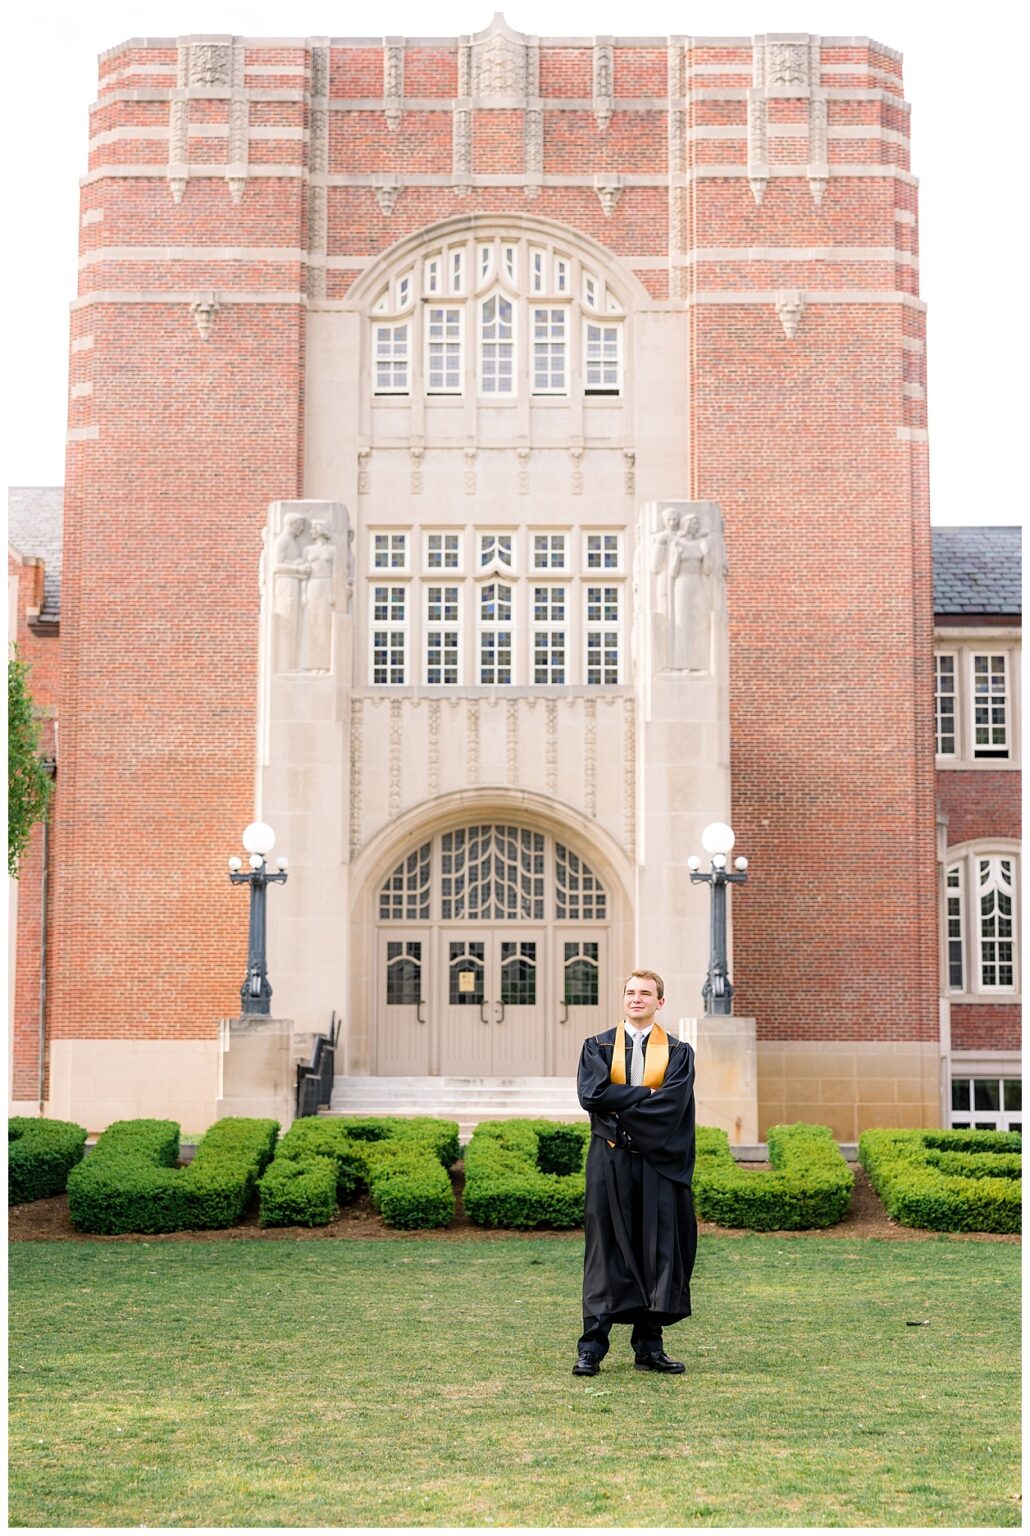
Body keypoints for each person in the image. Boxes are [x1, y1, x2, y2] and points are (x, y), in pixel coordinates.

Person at [573, 969, 697, 1376]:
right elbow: (592, 1096)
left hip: (657, 1162)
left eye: (646, 993)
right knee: (604, 1252)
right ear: (622, 999)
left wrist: (621, 1105)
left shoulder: (678, 1052)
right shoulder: (597, 1046)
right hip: (610, 1161)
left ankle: (649, 1346)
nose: (637, 998)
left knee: (655, 1250)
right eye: (630, 992)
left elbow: (672, 1106)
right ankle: (592, 1347)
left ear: (660, 1002)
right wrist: (646, 1093)